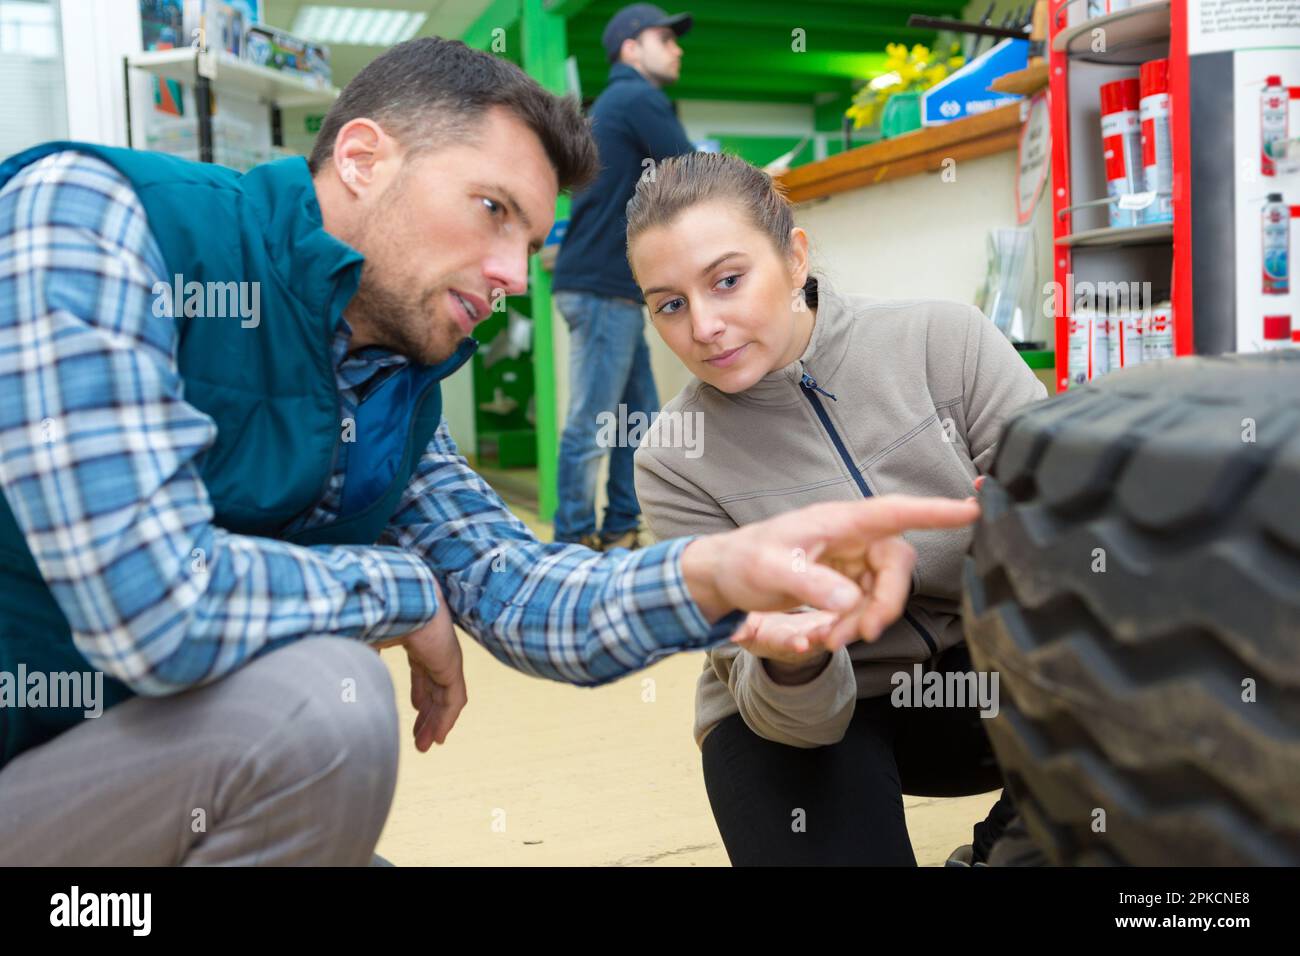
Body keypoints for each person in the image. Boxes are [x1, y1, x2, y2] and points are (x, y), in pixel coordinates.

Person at [0, 38, 979, 865]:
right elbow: (150, 602)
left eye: (533, 241)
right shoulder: (95, 218)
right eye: (491, 211)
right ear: (363, 158)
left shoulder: (391, 383)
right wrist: (398, 584)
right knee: (330, 701)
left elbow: (519, 585)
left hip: (127, 775)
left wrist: (719, 568)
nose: (514, 276)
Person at [628, 152, 1048, 866]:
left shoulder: (946, 342)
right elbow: (797, 716)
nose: (704, 326)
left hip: (987, 679)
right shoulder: (672, 459)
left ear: (795, 258)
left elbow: (1073, 538)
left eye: (728, 281)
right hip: (802, 721)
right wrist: (796, 651)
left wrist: (1029, 537)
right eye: (669, 304)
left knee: (1168, 701)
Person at [550, 4, 695, 550]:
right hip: (601, 286)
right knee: (593, 421)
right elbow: (690, 170)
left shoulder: (616, 101)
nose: (677, 48)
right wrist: (758, 177)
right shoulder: (636, 97)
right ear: (630, 49)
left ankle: (618, 531)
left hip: (606, 286)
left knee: (636, 420)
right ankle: (569, 543)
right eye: (666, 38)